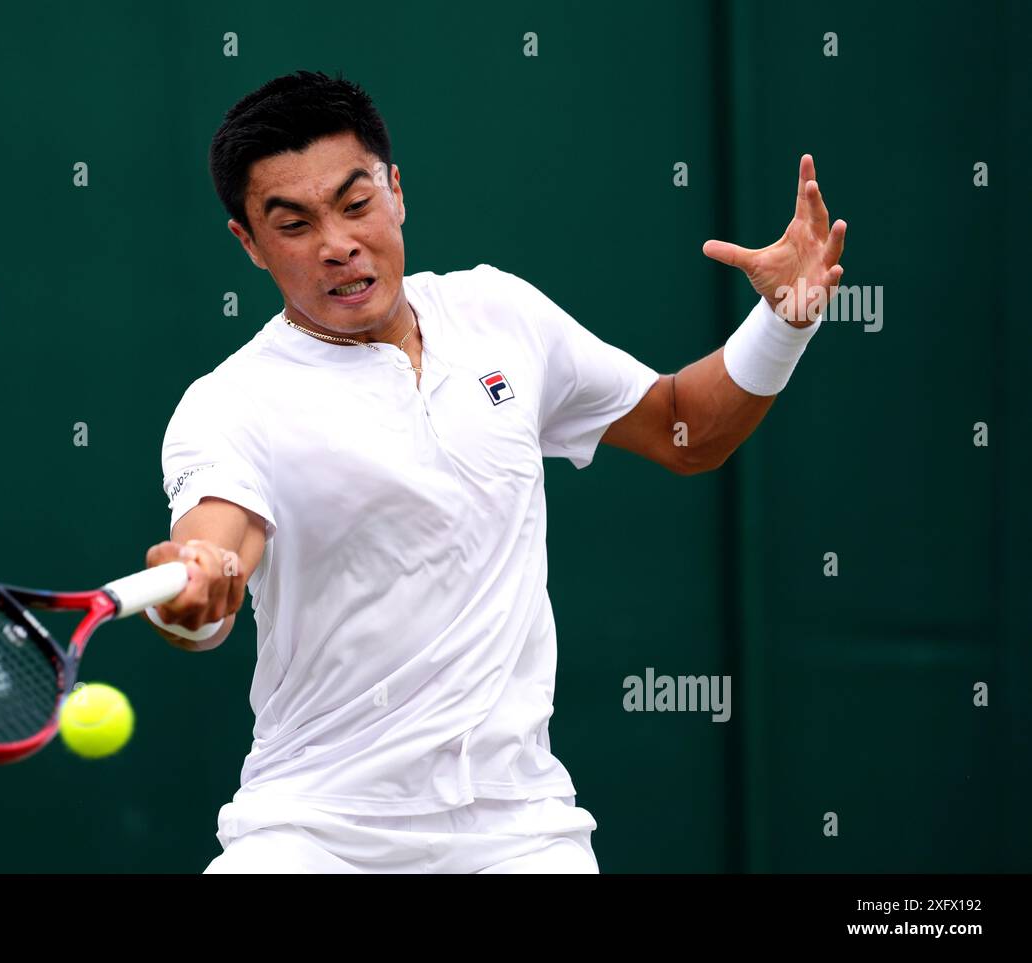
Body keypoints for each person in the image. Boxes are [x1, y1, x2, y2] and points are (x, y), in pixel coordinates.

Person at [141, 70, 847, 873]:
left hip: (519, 831)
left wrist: (783, 322)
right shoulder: (230, 402)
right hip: (312, 832)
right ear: (248, 243)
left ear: (396, 191)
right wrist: (197, 586)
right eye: (294, 223)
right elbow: (215, 546)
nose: (337, 242)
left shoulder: (498, 314)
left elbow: (684, 429)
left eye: (355, 202)